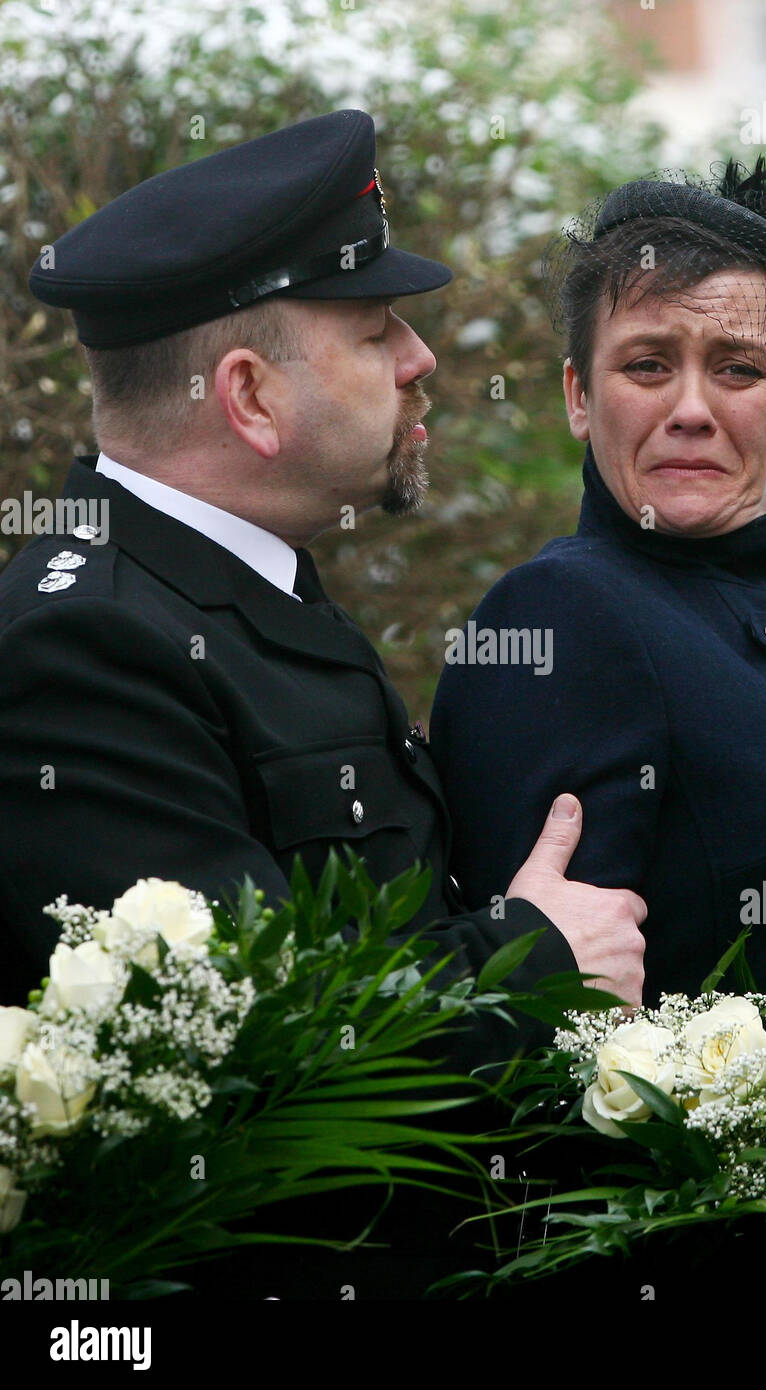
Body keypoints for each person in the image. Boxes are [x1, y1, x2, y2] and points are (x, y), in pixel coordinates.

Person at [0, 109, 647, 1296]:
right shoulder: (82, 643)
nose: (419, 358)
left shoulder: (238, 584)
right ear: (246, 395)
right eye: (372, 327)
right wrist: (534, 962)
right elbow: (240, 1051)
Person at [429, 158, 766, 1293]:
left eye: (736, 366)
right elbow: (548, 1052)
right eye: (646, 364)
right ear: (580, 395)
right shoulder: (556, 613)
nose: (690, 405)